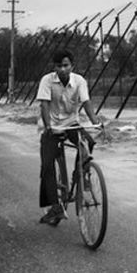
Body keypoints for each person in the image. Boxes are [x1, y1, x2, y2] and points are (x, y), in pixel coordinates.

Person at [36, 49, 103, 226]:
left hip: (71, 122)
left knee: (88, 142)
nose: (63, 69)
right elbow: (44, 104)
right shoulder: (47, 80)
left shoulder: (79, 81)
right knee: (47, 164)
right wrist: (48, 126)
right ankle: (55, 207)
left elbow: (86, 102)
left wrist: (95, 121)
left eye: (66, 65)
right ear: (55, 67)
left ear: (72, 66)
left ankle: (79, 175)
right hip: (51, 124)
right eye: (59, 66)